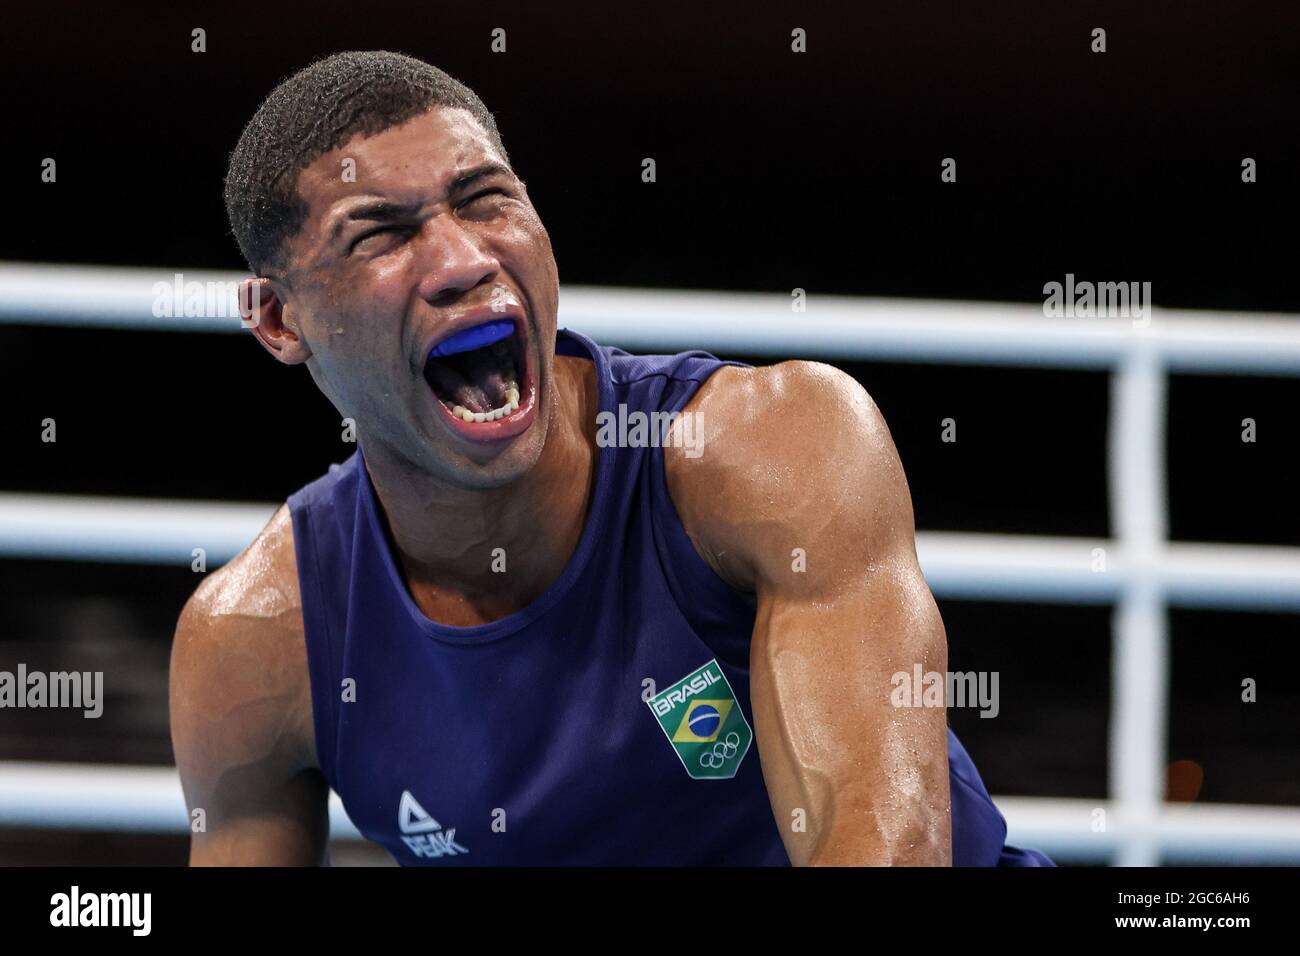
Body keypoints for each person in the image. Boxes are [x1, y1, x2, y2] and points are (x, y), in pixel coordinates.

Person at [170, 50, 1052, 866]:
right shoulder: (259, 640)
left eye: (485, 199)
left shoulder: (766, 451)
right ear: (279, 320)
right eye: (381, 235)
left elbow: (881, 849)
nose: (464, 259)